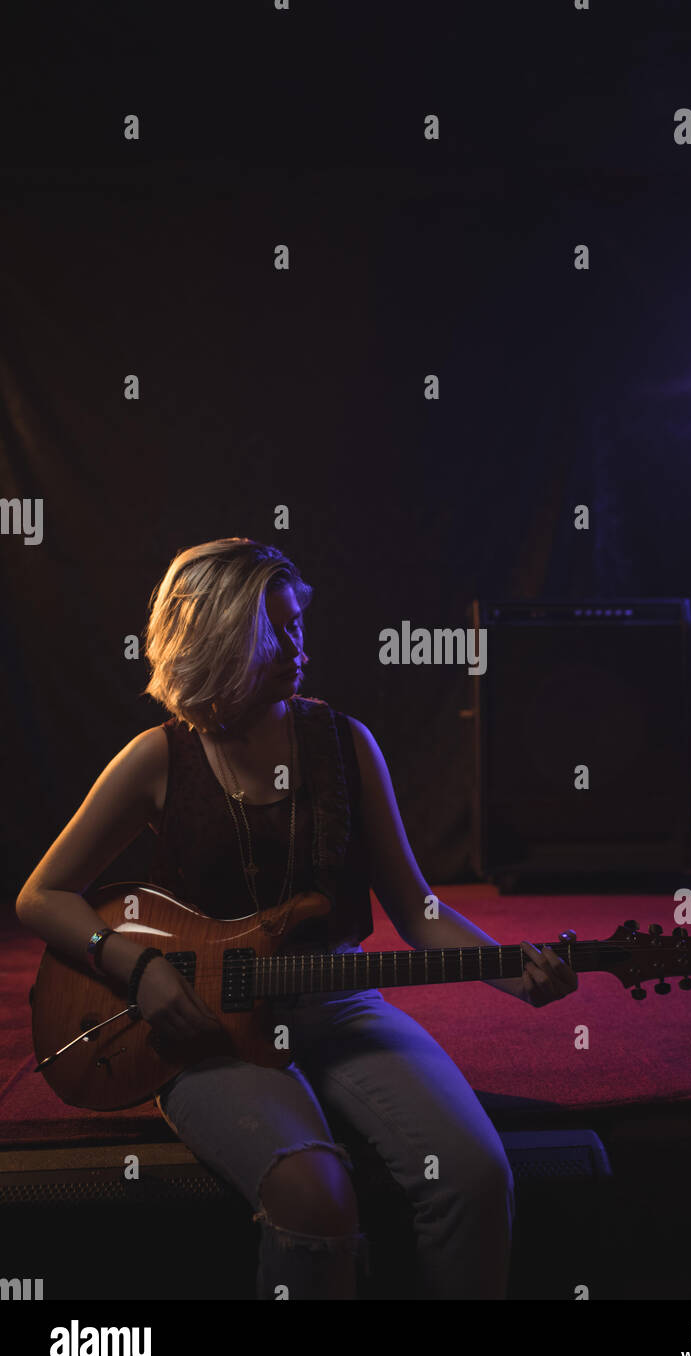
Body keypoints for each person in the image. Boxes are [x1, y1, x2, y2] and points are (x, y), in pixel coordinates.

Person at [16, 537, 578, 1300]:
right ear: (216, 639)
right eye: (273, 631)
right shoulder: (158, 758)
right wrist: (137, 967)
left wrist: (516, 970)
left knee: (475, 1173)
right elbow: (40, 895)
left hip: (338, 1003)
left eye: (297, 624)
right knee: (313, 1194)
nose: (298, 646)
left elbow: (417, 910)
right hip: (206, 1029)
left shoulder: (345, 744)